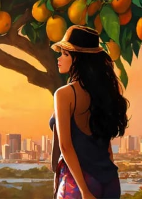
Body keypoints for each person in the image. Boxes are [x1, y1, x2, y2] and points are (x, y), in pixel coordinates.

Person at [49, 25, 128, 199]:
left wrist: (84, 190)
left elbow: (66, 146)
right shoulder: (106, 94)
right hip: (110, 181)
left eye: (65, 54)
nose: (59, 58)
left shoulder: (64, 94)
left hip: (78, 184)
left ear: (78, 59)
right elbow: (106, 144)